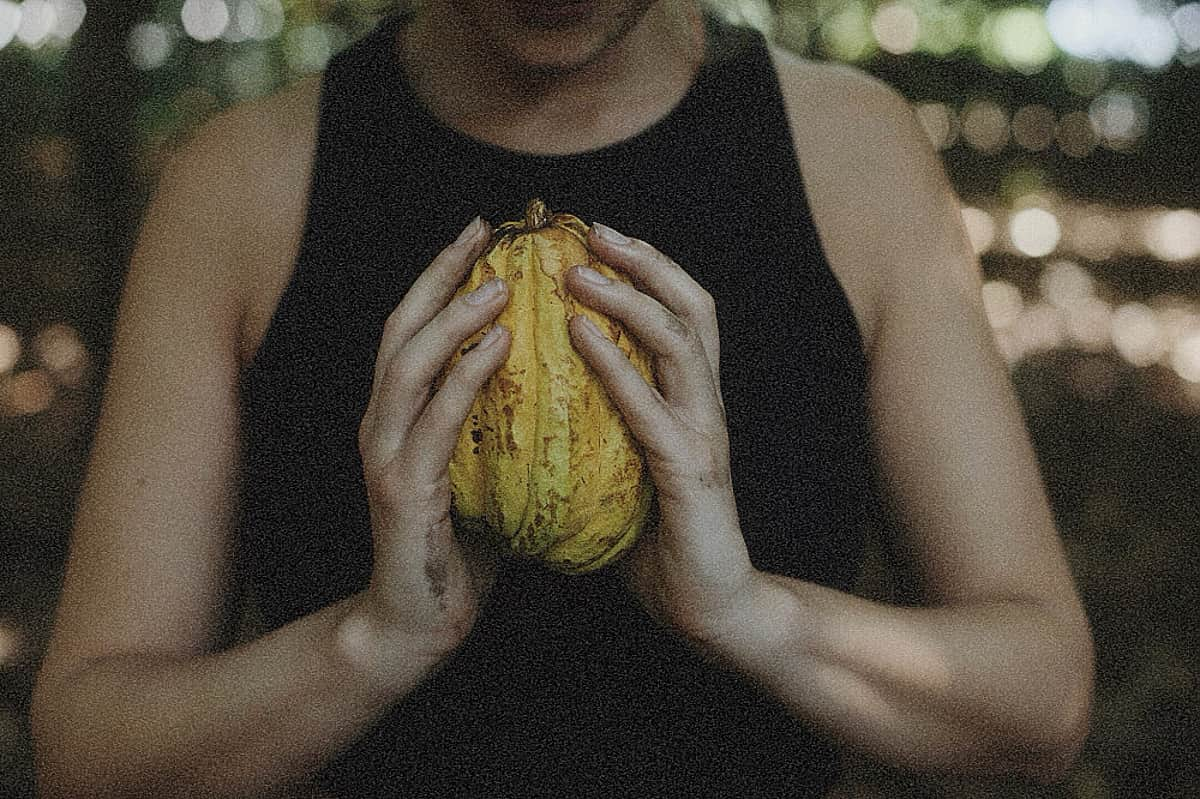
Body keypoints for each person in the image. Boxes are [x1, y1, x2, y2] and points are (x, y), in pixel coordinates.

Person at [30, 1, 1094, 796]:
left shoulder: (854, 155)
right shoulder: (240, 185)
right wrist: (375, 641)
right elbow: (85, 747)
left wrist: (745, 614)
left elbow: (1043, 699)